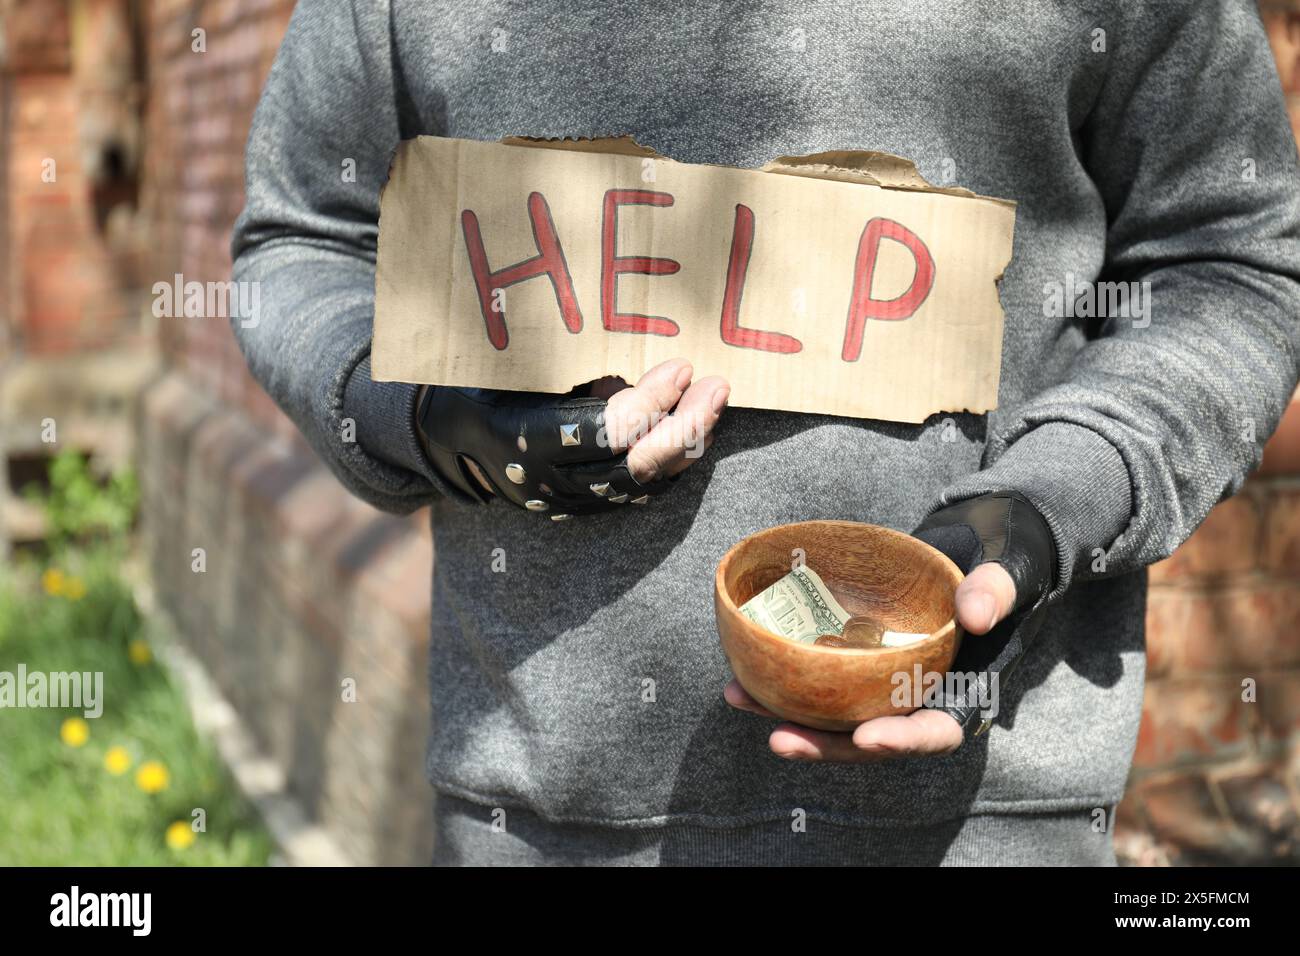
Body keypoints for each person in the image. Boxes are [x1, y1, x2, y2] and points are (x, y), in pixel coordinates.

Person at [231, 0, 1300, 865]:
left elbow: (1230, 257)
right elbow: (303, 238)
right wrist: (422, 414)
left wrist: (1049, 501)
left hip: (985, 823)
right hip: (538, 818)